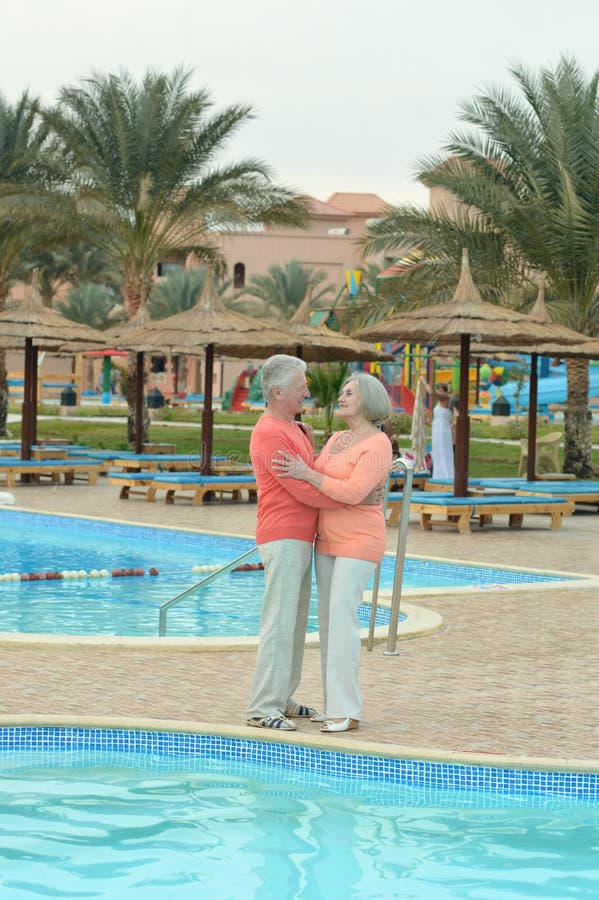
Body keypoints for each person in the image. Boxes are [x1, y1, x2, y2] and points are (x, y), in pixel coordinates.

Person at [246, 355, 381, 732]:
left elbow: (320, 473)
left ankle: (282, 697)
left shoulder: (298, 429)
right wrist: (354, 498)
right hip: (284, 533)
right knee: (279, 622)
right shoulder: (270, 432)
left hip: (304, 536)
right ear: (277, 392)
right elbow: (303, 490)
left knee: (294, 622)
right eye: (301, 386)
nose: (308, 391)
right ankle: (262, 707)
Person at [420, 377, 455, 479]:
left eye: (439, 390)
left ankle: (446, 476)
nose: (437, 392)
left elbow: (430, 393)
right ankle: (438, 476)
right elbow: (438, 420)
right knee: (437, 452)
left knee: (443, 452)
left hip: (442, 431)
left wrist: (423, 380)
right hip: (437, 430)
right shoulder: (440, 403)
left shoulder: (446, 399)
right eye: (437, 389)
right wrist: (429, 424)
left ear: (444, 391)